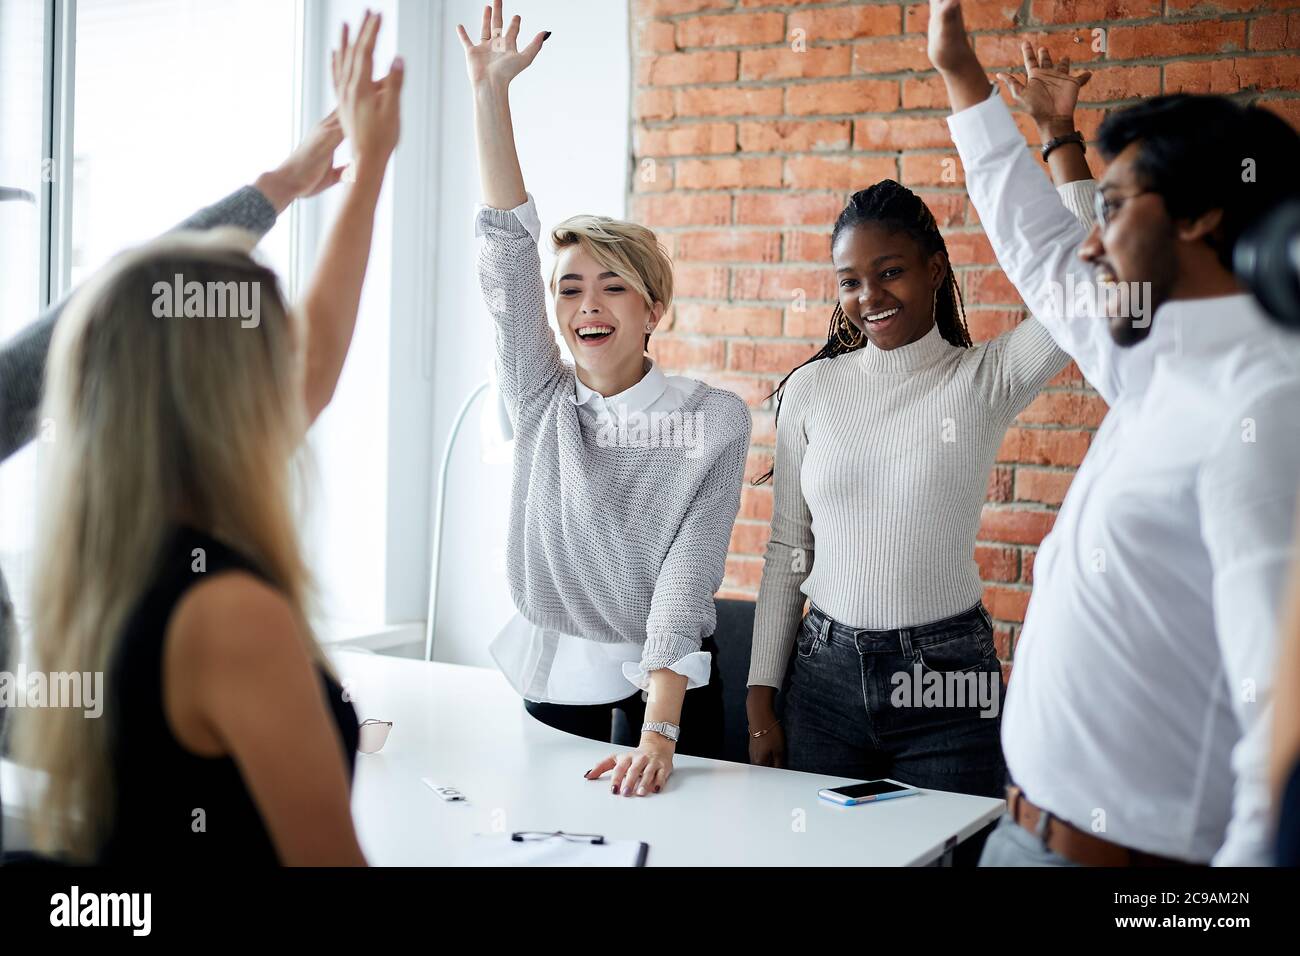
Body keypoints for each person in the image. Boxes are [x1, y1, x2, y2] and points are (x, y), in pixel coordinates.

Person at [9, 10, 403, 864]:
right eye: (271, 348)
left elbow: (307, 364)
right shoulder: (229, 613)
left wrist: (366, 171)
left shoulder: (108, 559)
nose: (292, 370)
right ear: (229, 397)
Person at [929, 0, 1300, 865]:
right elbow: (1041, 251)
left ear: (1200, 216)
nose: (1092, 243)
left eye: (1117, 206)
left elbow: (1284, 734)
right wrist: (959, 73)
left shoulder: (1265, 410)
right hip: (1021, 832)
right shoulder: (1159, 360)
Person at [745, 54, 1099, 806]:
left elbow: (1083, 288)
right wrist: (759, 697)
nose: (869, 295)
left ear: (935, 269)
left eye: (890, 271)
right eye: (850, 280)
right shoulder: (810, 391)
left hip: (947, 685)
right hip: (824, 681)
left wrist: (1059, 133)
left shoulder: (984, 381)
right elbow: (788, 549)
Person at [460, 1, 750, 796]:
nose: (588, 304)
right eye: (572, 288)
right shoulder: (539, 395)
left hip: (662, 693)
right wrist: (491, 95)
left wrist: (658, 734)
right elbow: (508, 261)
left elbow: (686, 583)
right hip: (556, 677)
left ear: (653, 310)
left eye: (613, 286)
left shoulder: (712, 419)